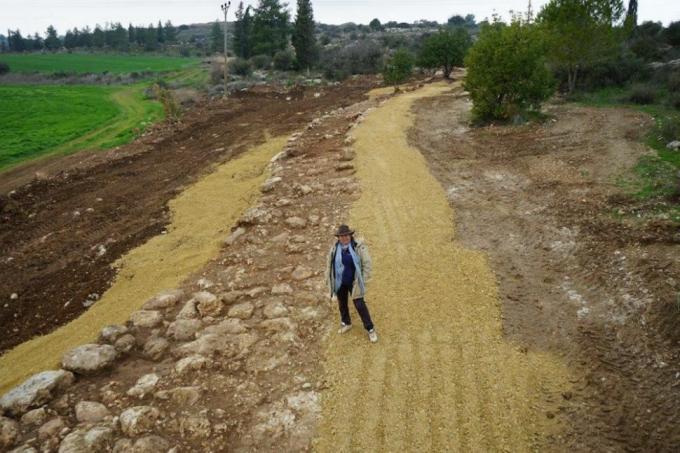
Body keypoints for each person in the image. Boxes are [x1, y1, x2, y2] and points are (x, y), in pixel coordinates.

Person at [325, 224, 378, 343]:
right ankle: (346, 322)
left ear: (350, 235)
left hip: (354, 282)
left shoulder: (358, 247)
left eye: (346, 235)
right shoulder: (335, 248)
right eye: (342, 236)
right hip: (340, 281)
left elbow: (367, 264)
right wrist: (329, 280)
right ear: (338, 237)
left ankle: (370, 329)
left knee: (359, 304)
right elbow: (329, 265)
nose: (344, 238)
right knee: (342, 303)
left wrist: (362, 280)